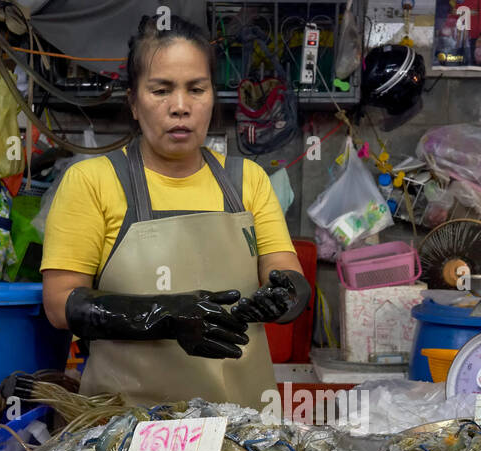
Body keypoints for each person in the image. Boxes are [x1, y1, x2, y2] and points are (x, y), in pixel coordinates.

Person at [41, 15, 308, 409]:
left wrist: (287, 292)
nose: (180, 107)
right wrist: (164, 315)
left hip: (241, 429)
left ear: (212, 97)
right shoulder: (92, 181)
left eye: (196, 89)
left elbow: (287, 271)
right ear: (133, 102)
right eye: (161, 90)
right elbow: (60, 304)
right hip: (123, 429)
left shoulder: (247, 180)